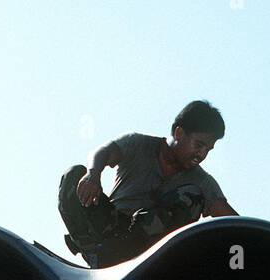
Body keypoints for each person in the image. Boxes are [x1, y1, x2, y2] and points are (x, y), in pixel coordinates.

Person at [58, 99, 238, 267]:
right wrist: (93, 174)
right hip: (110, 231)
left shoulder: (202, 182)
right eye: (199, 145)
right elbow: (104, 152)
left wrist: (259, 246)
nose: (202, 154)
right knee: (74, 175)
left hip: (148, 248)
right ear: (179, 133)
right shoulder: (138, 144)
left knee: (192, 196)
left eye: (208, 149)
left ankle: (127, 255)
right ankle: (96, 251)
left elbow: (232, 221)